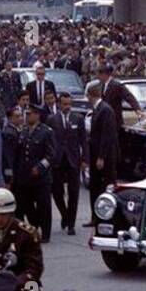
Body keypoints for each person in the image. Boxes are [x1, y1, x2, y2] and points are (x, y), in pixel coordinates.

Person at [15, 101, 55, 241]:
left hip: (41, 177)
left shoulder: (46, 132)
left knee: (43, 205)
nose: (27, 117)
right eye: (26, 114)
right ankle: (34, 224)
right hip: (25, 176)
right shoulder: (24, 131)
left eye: (29, 114)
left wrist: (40, 167)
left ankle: (46, 233)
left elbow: (50, 155)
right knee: (26, 204)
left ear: (37, 115)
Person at [49, 91, 85, 234]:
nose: (67, 107)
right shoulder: (52, 119)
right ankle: (65, 215)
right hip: (57, 160)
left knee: (74, 192)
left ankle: (71, 224)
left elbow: (83, 141)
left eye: (69, 104)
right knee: (57, 192)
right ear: (59, 104)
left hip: (73, 160)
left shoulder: (78, 119)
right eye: (64, 104)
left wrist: (84, 160)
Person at [85, 82, 120, 218]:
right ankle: (95, 216)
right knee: (95, 186)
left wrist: (101, 156)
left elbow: (107, 135)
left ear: (90, 95)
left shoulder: (105, 110)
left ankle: (103, 215)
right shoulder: (98, 109)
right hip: (96, 153)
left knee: (104, 185)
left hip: (105, 156)